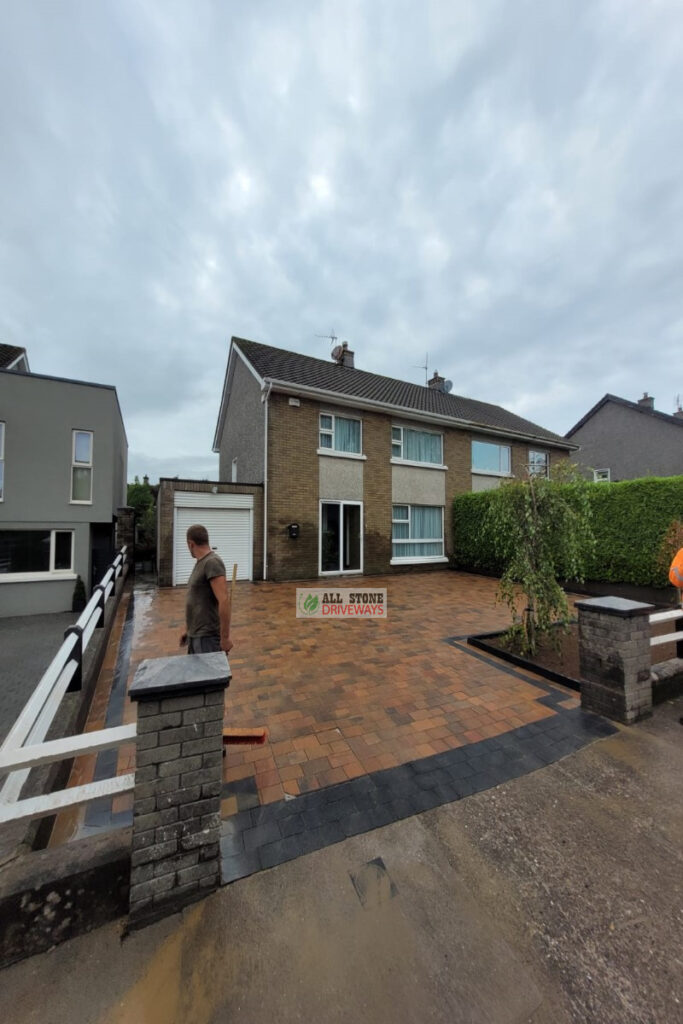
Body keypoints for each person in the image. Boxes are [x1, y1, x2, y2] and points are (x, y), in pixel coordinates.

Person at [179, 523, 233, 655]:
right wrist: (188, 630)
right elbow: (197, 600)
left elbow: (224, 600)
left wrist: (225, 638)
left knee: (209, 670)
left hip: (207, 638)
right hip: (195, 635)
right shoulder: (201, 563)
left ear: (191, 544)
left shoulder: (212, 562)